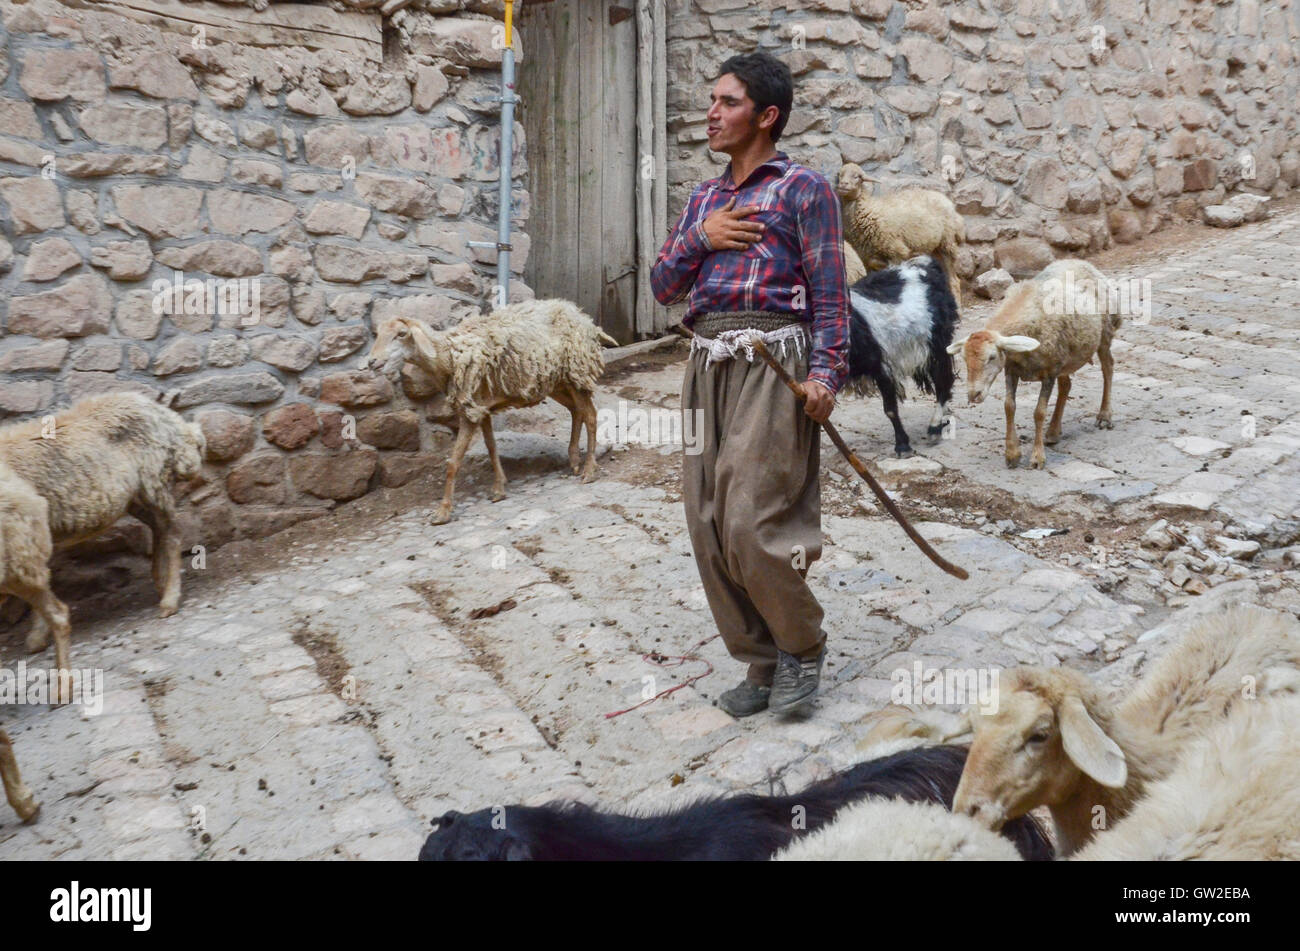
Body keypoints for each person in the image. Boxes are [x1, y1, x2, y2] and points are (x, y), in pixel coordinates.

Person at [650, 52, 850, 718]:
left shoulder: (804, 189)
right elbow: (661, 286)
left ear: (766, 116)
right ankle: (761, 661)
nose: (710, 113)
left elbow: (829, 292)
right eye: (711, 100)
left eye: (727, 102)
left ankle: (803, 643)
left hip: (773, 363)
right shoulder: (705, 199)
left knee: (751, 516)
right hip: (706, 365)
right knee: (706, 522)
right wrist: (699, 239)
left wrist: (826, 371)